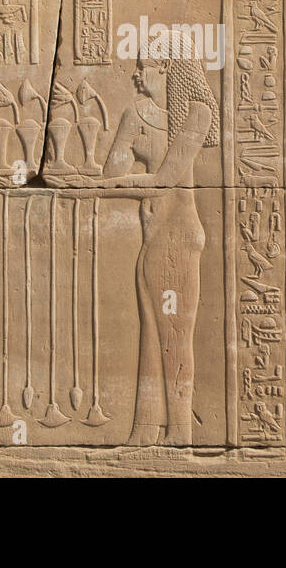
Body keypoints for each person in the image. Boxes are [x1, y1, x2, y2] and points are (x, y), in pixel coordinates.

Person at [96, 44, 219, 446]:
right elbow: (114, 168)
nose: (135, 75)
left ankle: (181, 430)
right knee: (152, 330)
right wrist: (124, 132)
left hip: (180, 236)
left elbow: (164, 181)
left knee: (175, 335)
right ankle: (146, 429)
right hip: (152, 235)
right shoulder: (138, 113)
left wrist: (94, 188)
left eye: (143, 67)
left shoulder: (195, 116)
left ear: (166, 68)